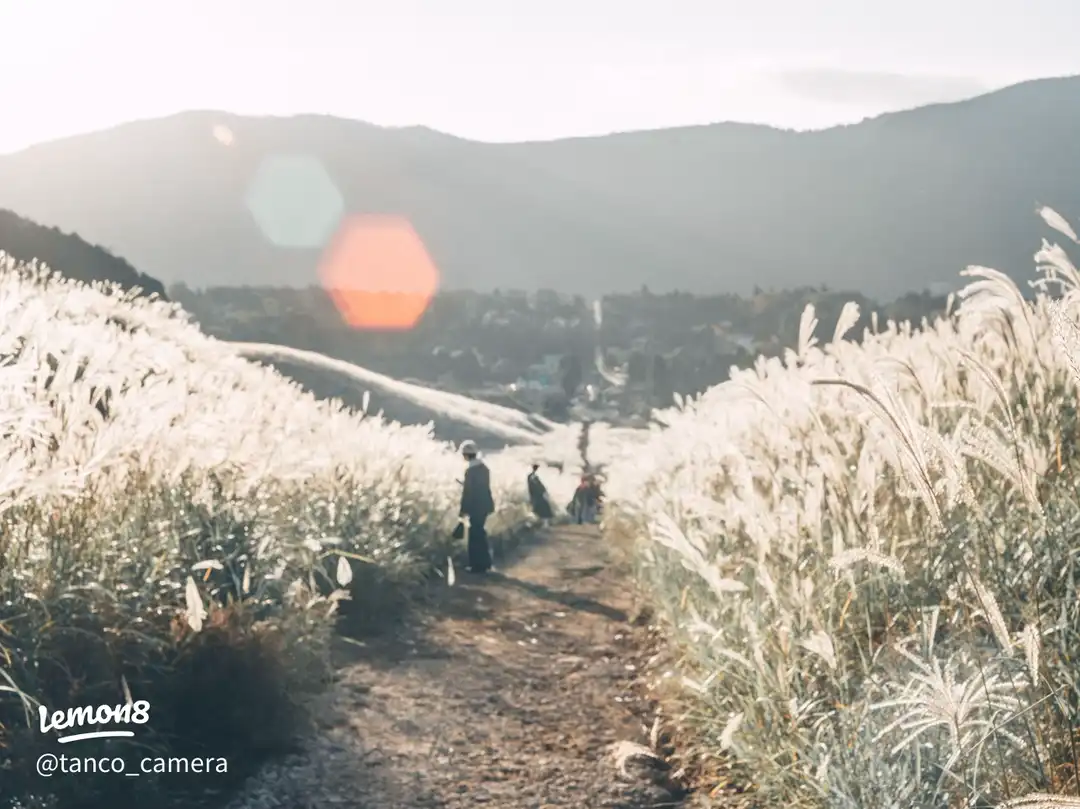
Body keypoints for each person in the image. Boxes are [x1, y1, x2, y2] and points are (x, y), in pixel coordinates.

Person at [458, 439, 495, 573]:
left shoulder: (470, 471)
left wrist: (463, 511)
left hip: (475, 507)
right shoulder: (484, 468)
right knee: (480, 532)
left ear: (466, 455)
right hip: (485, 505)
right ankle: (485, 563)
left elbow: (468, 493)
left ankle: (476, 566)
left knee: (475, 535)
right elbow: (481, 487)